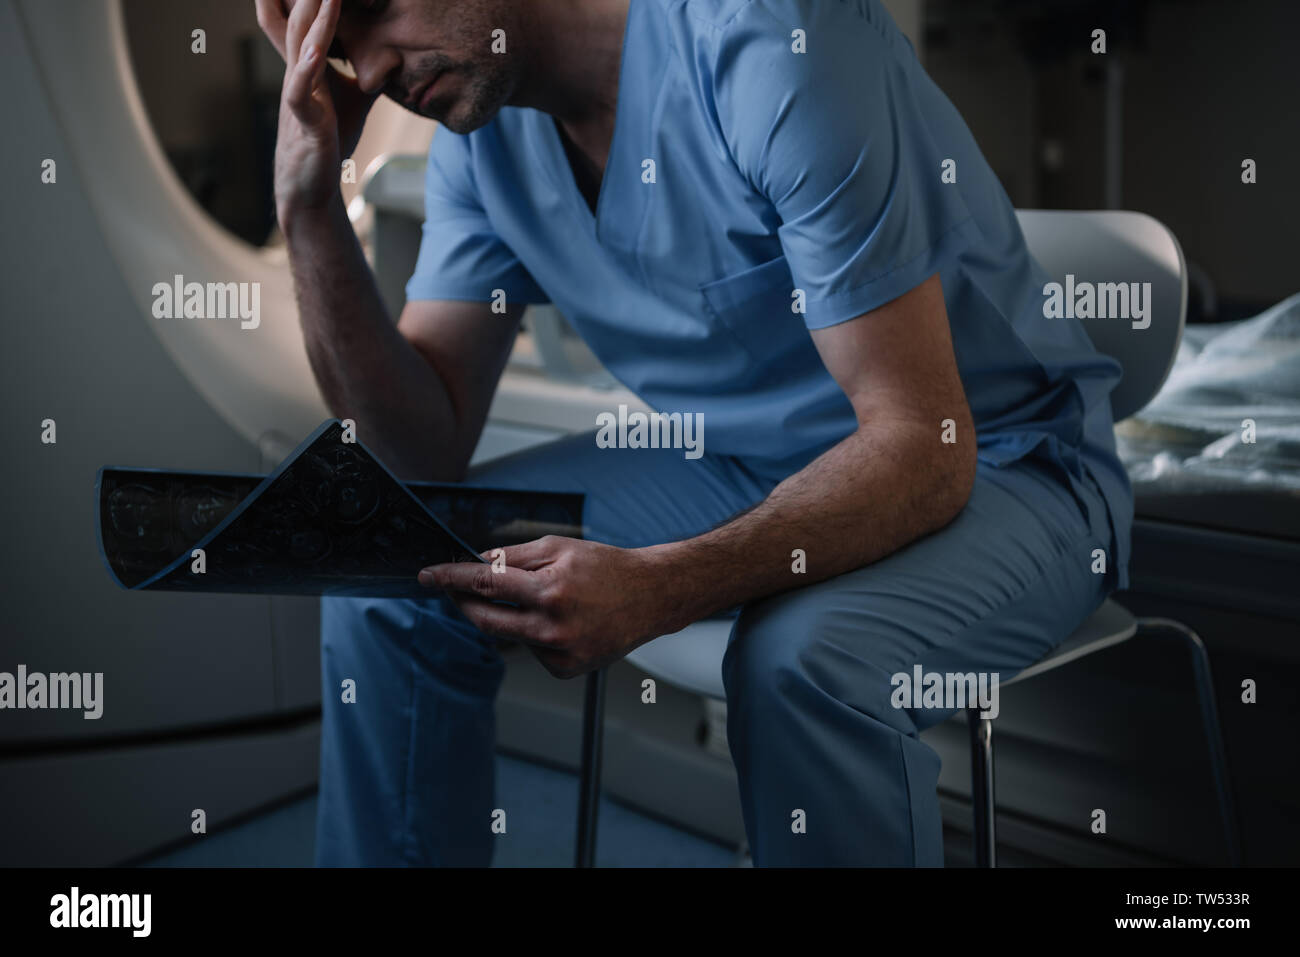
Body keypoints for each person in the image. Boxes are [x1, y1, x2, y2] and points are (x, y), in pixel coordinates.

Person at [255, 0, 1133, 866]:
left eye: (372, 10)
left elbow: (926, 448)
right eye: (339, 47)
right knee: (392, 568)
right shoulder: (481, 149)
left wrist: (660, 585)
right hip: (740, 464)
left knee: (800, 662)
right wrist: (308, 208)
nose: (367, 71)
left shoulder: (774, 42)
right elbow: (419, 451)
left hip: (1005, 463)